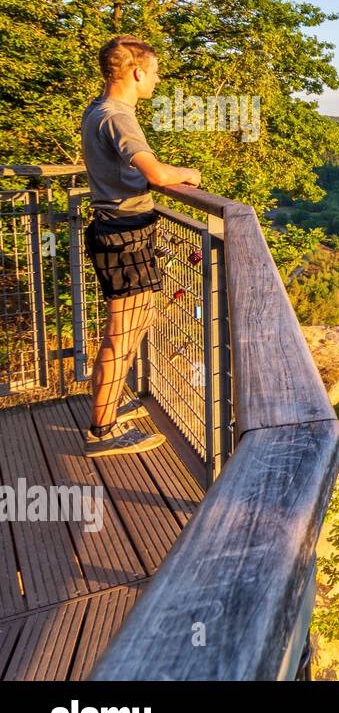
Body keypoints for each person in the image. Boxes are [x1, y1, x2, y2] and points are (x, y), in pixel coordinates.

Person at [80, 36, 202, 456]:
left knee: (129, 328)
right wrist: (189, 172)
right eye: (153, 72)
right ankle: (102, 430)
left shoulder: (96, 110)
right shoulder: (118, 117)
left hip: (116, 230)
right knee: (121, 335)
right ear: (136, 72)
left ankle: (108, 408)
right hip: (125, 235)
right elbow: (155, 174)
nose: (156, 79)